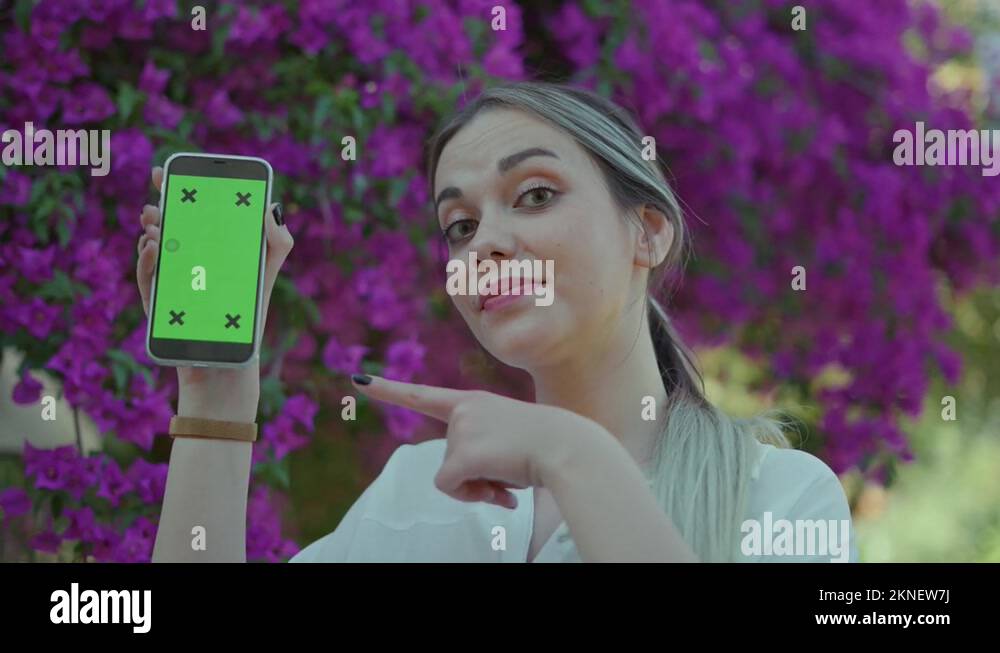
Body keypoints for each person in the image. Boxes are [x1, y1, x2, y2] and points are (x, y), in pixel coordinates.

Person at [138, 81, 856, 563]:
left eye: (535, 194)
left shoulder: (781, 495)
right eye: (459, 225)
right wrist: (214, 402)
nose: (484, 243)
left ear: (648, 233)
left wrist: (578, 458)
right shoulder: (411, 492)